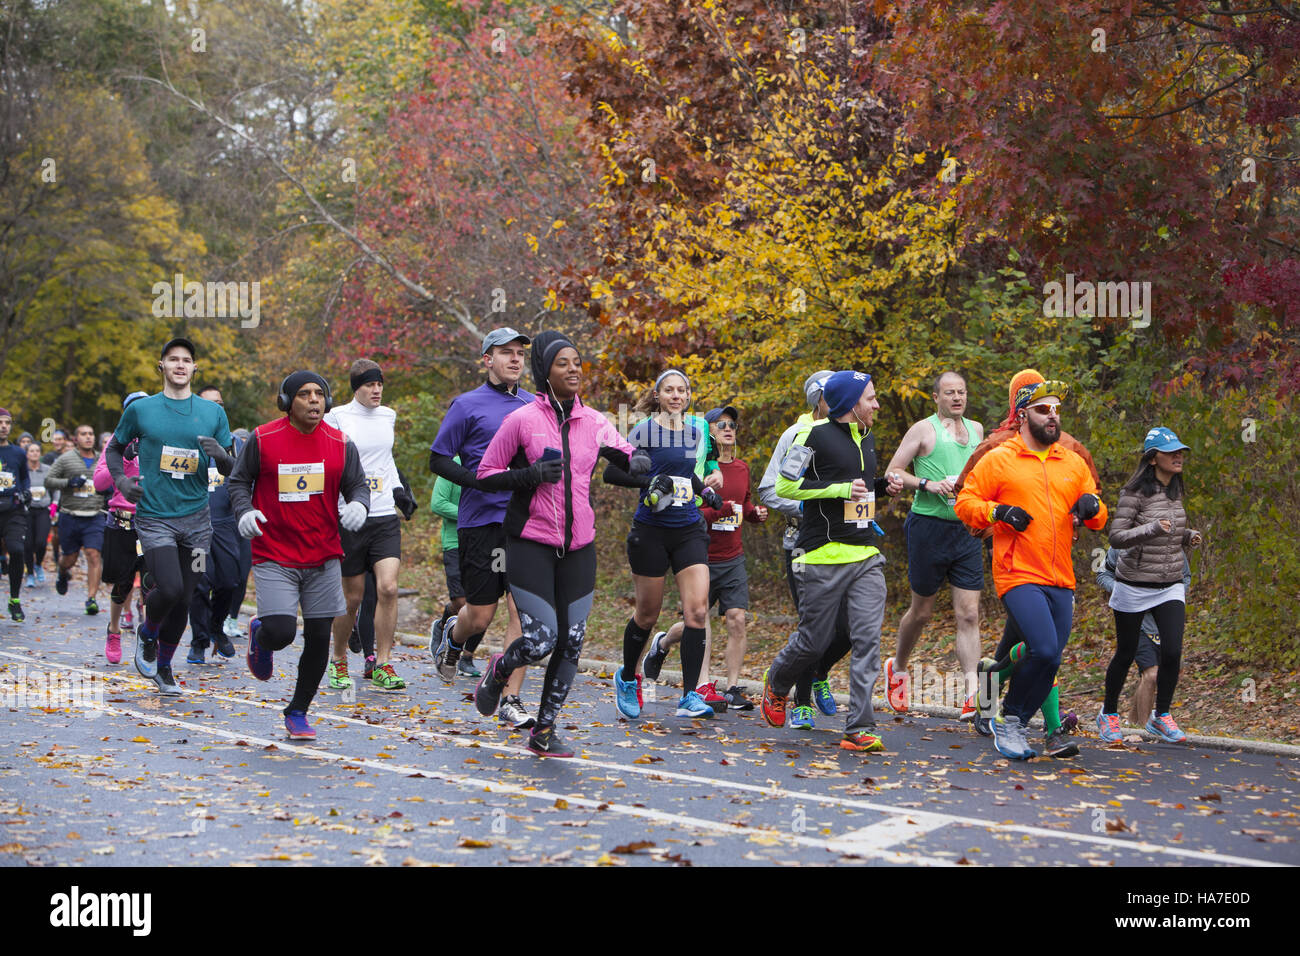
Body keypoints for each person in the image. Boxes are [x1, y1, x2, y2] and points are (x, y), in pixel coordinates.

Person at [473, 331, 647, 754]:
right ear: (545, 373)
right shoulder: (521, 420)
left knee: (572, 640)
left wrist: (639, 461)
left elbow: (624, 452)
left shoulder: (595, 421)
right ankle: (500, 669)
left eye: (577, 362)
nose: (573, 369)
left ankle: (544, 730)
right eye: (563, 363)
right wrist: (530, 476)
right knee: (541, 640)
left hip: (579, 548)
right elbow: (485, 475)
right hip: (530, 542)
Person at [955, 379, 1108, 760]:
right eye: (1043, 409)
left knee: (1049, 655)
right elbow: (965, 502)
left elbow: (1098, 512)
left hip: (1061, 573)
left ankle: (1003, 700)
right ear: (1023, 414)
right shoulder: (999, 457)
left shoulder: (1071, 461)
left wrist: (1092, 509)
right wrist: (998, 512)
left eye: (1056, 409)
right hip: (1017, 571)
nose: (1053, 416)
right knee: (1042, 647)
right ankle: (1013, 721)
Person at [761, 371, 901, 752]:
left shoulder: (866, 438)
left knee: (867, 640)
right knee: (813, 641)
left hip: (865, 554)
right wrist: (840, 490)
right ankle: (776, 682)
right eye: (870, 398)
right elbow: (784, 486)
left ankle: (858, 727)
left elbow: (859, 494)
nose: (875, 404)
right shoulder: (813, 435)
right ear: (851, 404)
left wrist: (881, 488)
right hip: (820, 554)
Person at [228, 371, 370, 739]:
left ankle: (298, 710)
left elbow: (358, 485)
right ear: (287, 401)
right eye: (304, 394)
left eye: (319, 394)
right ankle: (261, 635)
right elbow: (239, 481)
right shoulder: (263, 438)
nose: (313, 400)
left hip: (323, 554)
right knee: (281, 631)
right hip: (275, 551)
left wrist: (359, 505)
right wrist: (244, 510)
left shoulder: (340, 443)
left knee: (319, 637)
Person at [105, 337, 234, 695]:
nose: (180, 365)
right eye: (173, 359)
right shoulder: (142, 410)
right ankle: (147, 633)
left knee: (186, 595)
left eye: (187, 360)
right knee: (171, 586)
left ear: (195, 368)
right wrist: (120, 480)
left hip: (196, 521)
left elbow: (230, 467)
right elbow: (114, 449)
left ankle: (164, 669)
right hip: (155, 516)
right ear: (161, 366)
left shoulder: (212, 413)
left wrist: (220, 457)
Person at [428, 328, 534, 729]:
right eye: (505, 353)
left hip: (524, 523)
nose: (515, 360)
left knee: (522, 611)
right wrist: (479, 480)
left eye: (520, 354)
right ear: (487, 359)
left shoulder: (535, 404)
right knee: (482, 615)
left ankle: (511, 698)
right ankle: (455, 633)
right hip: (481, 521)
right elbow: (438, 460)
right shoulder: (467, 405)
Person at [605, 369, 725, 720]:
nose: (676, 395)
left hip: (688, 528)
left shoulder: (693, 432)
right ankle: (628, 677)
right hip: (651, 530)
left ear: (689, 396)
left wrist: (703, 490)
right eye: (669, 390)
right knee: (647, 614)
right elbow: (612, 473)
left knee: (698, 612)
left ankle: (690, 696)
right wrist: (649, 480)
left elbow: (684, 473)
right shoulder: (643, 430)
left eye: (682, 390)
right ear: (657, 395)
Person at [646, 405, 766, 711]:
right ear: (708, 431)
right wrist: (720, 508)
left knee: (737, 619)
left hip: (733, 557)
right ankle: (666, 647)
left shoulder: (741, 468)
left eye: (733, 425)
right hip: (701, 554)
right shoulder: (697, 469)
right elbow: (691, 509)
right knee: (697, 622)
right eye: (721, 424)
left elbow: (744, 501)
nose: (728, 429)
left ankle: (733, 688)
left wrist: (753, 514)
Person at [882, 371, 985, 720]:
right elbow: (893, 472)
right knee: (922, 612)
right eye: (949, 393)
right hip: (927, 528)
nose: (957, 398)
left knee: (969, 613)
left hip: (967, 530)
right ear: (936, 397)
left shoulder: (978, 431)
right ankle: (897, 668)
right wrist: (926, 483)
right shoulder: (922, 430)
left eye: (962, 392)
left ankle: (974, 694)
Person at [757, 371, 852, 729]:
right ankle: (800, 702)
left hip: (845, 545)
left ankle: (819, 674)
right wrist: (812, 507)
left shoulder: (853, 435)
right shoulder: (798, 437)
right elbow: (770, 489)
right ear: (819, 402)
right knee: (815, 627)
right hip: (803, 544)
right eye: (834, 397)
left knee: (849, 629)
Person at [1097, 428, 1200, 744]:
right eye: (1171, 453)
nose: (1178, 456)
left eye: (1180, 451)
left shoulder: (1175, 491)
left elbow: (1171, 530)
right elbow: (1116, 537)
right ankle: (1109, 714)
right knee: (1126, 653)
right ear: (1154, 458)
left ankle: (1161, 716)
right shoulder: (1134, 493)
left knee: (1172, 651)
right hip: (1134, 584)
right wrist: (1151, 528)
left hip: (1169, 583)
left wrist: (1186, 536)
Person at [324, 360, 418, 692]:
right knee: (352, 598)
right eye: (369, 384)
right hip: (349, 516)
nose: (377, 390)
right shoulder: (335, 418)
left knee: (388, 588)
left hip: (383, 516)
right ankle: (337, 660)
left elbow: (386, 459)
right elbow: (328, 460)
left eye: (380, 384)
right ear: (356, 388)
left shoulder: (388, 416)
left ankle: (384, 662)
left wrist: (399, 490)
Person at [186, 386, 248, 665]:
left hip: (226, 525)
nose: (217, 408)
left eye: (220, 404)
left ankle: (215, 626)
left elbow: (249, 477)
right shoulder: (184, 439)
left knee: (229, 581)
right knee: (199, 583)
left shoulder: (236, 443)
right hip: (195, 525)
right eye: (211, 404)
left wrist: (224, 457)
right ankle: (199, 641)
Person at [1096, 546, 1191, 728]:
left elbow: (1185, 577)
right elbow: (1103, 575)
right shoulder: (1123, 543)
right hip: (1137, 622)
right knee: (1151, 675)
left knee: (1151, 676)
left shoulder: (1171, 543)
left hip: (1163, 622)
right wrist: (1124, 591)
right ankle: (1145, 727)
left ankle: (1132, 722)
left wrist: (1169, 596)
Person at [94, 392, 149, 663]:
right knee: (123, 584)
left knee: (153, 584)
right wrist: (125, 458)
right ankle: (114, 630)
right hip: (121, 522)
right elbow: (100, 483)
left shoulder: (158, 441)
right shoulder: (115, 444)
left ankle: (149, 637)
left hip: (154, 521)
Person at [44, 423, 104, 615]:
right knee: (69, 558)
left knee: (94, 555)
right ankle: (62, 573)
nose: (88, 437)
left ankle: (91, 599)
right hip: (70, 515)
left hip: (94, 516)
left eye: (91, 433)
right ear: (76, 439)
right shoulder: (66, 459)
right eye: (83, 434)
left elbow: (112, 479)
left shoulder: (102, 460)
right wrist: (68, 483)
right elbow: (48, 480)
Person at [429, 460, 467, 668]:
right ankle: (444, 625)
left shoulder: (495, 462)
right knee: (461, 602)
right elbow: (438, 502)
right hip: (455, 542)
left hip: (483, 542)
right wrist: (470, 515)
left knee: (479, 604)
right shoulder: (454, 465)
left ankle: (462, 653)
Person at [0, 408, 31, 622]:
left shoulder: (18, 453)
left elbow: (25, 478)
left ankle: (15, 599)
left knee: (17, 551)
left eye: (7, 423)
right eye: (0, 422)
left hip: (13, 511)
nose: (4, 426)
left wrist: (27, 493)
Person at [24, 442, 50, 587]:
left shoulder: (47, 469)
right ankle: (29, 574)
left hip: (43, 510)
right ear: (27, 453)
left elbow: (54, 487)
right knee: (27, 544)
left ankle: (38, 564)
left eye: (37, 451)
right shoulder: (23, 470)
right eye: (31, 451)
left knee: (41, 542)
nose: (34, 453)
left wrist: (54, 503)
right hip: (26, 511)